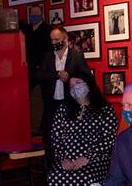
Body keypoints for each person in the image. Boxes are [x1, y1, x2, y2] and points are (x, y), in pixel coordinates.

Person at [45, 76, 117, 186]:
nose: (75, 88)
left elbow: (108, 140)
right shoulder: (64, 109)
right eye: (71, 86)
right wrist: (62, 159)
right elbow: (56, 136)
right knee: (55, 175)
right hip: (67, 159)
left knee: (85, 177)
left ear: (89, 84)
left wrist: (87, 158)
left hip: (96, 159)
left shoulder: (104, 110)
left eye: (78, 83)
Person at [34, 25, 95, 160]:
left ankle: (70, 164)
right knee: (49, 136)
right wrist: (56, 75)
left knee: (70, 136)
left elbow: (88, 77)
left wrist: (70, 76)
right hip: (51, 104)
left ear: (65, 39)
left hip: (70, 103)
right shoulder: (47, 56)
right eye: (52, 40)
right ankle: (51, 168)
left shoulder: (76, 56)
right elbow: (38, 75)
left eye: (57, 40)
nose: (54, 43)